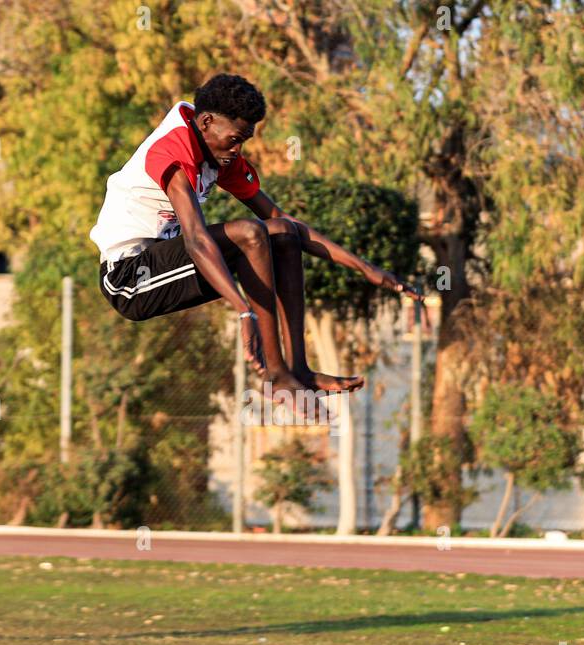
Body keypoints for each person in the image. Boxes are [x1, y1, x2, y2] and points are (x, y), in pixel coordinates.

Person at [89, 73, 421, 415]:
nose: (237, 151)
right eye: (234, 140)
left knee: (280, 233)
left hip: (169, 262)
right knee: (251, 233)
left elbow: (284, 220)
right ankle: (276, 376)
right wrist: (242, 309)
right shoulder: (174, 150)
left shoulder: (218, 153)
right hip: (130, 280)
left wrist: (367, 269)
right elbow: (197, 240)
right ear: (206, 122)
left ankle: (298, 370)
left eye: (244, 141)